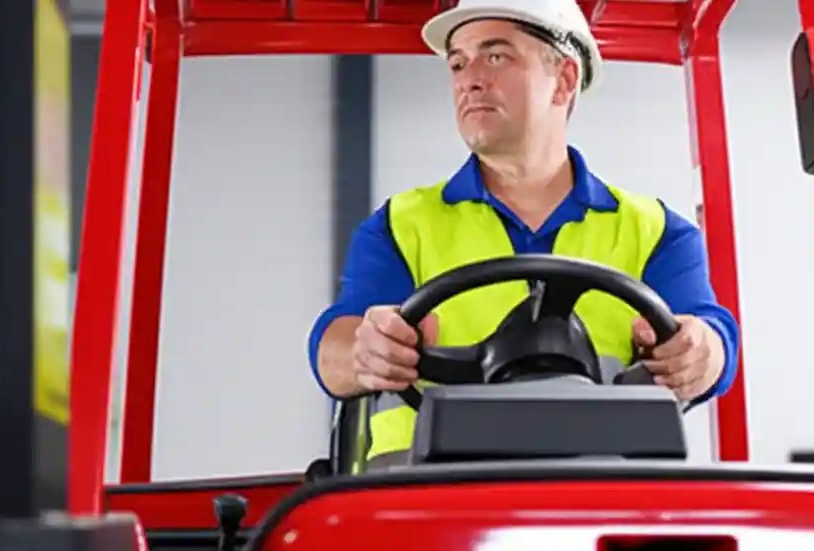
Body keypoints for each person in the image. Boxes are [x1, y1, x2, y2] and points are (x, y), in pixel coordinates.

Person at [307, 0, 740, 464]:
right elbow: (335, 347)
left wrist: (702, 353)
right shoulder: (399, 225)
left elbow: (712, 340)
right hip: (427, 498)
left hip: (603, 496)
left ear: (565, 80)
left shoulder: (656, 232)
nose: (469, 78)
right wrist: (366, 350)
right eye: (457, 62)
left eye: (496, 56)